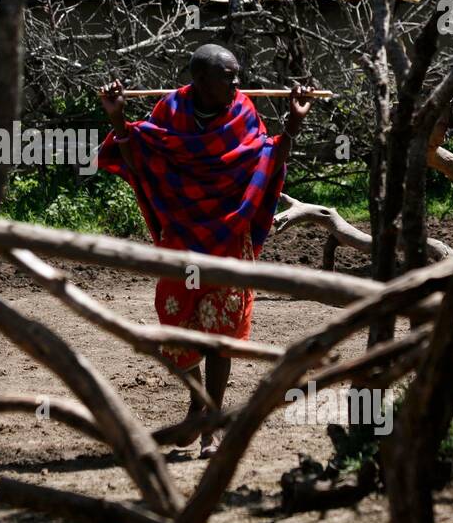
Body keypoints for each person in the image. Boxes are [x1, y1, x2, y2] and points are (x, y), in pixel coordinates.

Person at [98, 43, 313, 458]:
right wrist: (117, 116)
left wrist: (291, 128)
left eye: (237, 75)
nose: (237, 83)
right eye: (227, 76)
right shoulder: (170, 111)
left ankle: (211, 425)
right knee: (177, 326)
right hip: (180, 239)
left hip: (229, 240)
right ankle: (197, 402)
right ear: (198, 80)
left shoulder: (244, 112)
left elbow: (266, 159)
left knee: (221, 333)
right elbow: (139, 155)